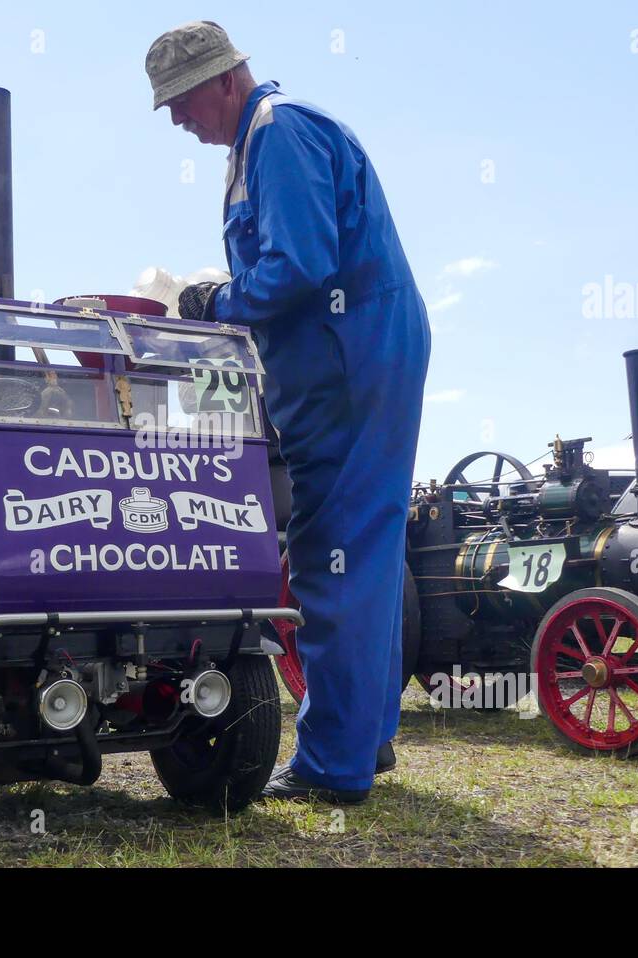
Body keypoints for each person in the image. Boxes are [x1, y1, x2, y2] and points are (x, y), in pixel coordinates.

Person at [146, 22, 432, 803]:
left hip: (346, 356)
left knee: (328, 554)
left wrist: (212, 301)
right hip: (359, 351)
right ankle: (364, 742)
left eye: (180, 100)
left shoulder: (277, 133)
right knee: (366, 553)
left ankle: (332, 766)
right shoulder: (260, 145)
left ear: (225, 80)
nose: (176, 119)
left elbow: (301, 266)